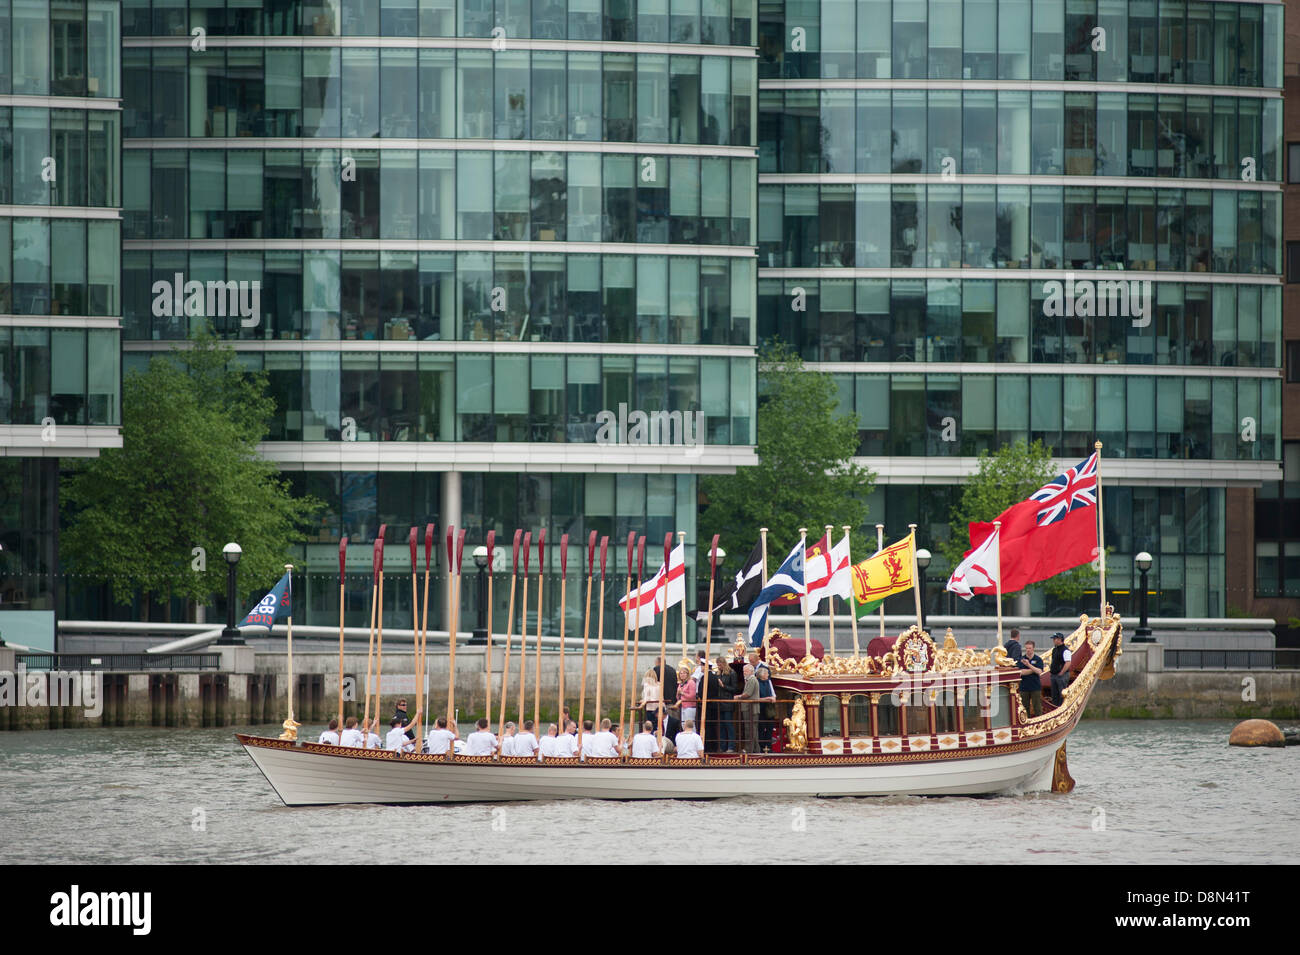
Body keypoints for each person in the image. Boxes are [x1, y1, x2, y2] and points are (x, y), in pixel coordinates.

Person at [705, 655, 736, 753]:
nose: (719, 666)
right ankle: (722, 746)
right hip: (719, 703)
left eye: (720, 665)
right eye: (718, 665)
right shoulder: (718, 674)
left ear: (723, 664)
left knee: (728, 724)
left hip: (727, 703)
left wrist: (723, 686)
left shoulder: (731, 673)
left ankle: (731, 746)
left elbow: (734, 689)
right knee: (721, 726)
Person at [734, 664, 760, 753]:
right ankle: (756, 749)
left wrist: (738, 697)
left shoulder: (752, 680)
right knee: (752, 729)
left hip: (750, 708)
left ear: (751, 671)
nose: (744, 672)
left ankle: (749, 749)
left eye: (746, 671)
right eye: (743, 671)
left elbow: (748, 694)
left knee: (750, 729)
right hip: (748, 708)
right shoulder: (749, 680)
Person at [1017, 640, 1045, 717]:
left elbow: (1039, 671)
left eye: (1029, 648)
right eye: (1026, 648)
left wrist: (1029, 665)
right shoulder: (1022, 659)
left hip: (1035, 687)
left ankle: (1039, 723)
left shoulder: (1038, 659)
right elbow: (1021, 672)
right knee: (1025, 708)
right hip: (1024, 687)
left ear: (1033, 648)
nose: (1028, 650)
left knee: (1037, 707)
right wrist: (1033, 670)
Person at [755, 663, 776, 752]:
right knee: (761, 728)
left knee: (769, 728)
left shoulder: (768, 682)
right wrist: (767, 698)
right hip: (760, 709)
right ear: (762, 675)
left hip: (769, 709)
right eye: (767, 673)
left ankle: (769, 747)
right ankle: (761, 747)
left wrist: (773, 698)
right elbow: (755, 697)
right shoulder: (757, 683)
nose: (768, 675)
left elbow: (773, 694)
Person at [1048, 632, 1072, 706]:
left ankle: (1061, 708)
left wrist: (1061, 673)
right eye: (1054, 639)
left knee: (1061, 694)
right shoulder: (1054, 650)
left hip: (1061, 675)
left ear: (1060, 639)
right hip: (1054, 675)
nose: (1054, 640)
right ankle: (1055, 707)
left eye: (1055, 639)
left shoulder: (1065, 650)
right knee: (1055, 694)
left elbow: (1068, 663)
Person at [639, 667, 663, 732]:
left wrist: (643, 701)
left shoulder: (647, 685)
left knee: (650, 724)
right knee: (657, 724)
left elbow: (647, 697)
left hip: (650, 707)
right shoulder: (659, 684)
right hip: (658, 707)